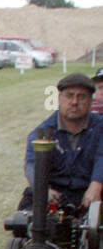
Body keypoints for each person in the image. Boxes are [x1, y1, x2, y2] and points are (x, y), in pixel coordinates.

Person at [18, 73, 103, 211]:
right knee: (26, 217)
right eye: (69, 95)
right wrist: (44, 190)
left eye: (81, 96)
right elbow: (32, 165)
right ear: (59, 98)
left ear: (91, 101)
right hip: (55, 194)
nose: (74, 102)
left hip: (91, 192)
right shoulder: (42, 133)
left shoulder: (100, 127)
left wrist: (97, 185)